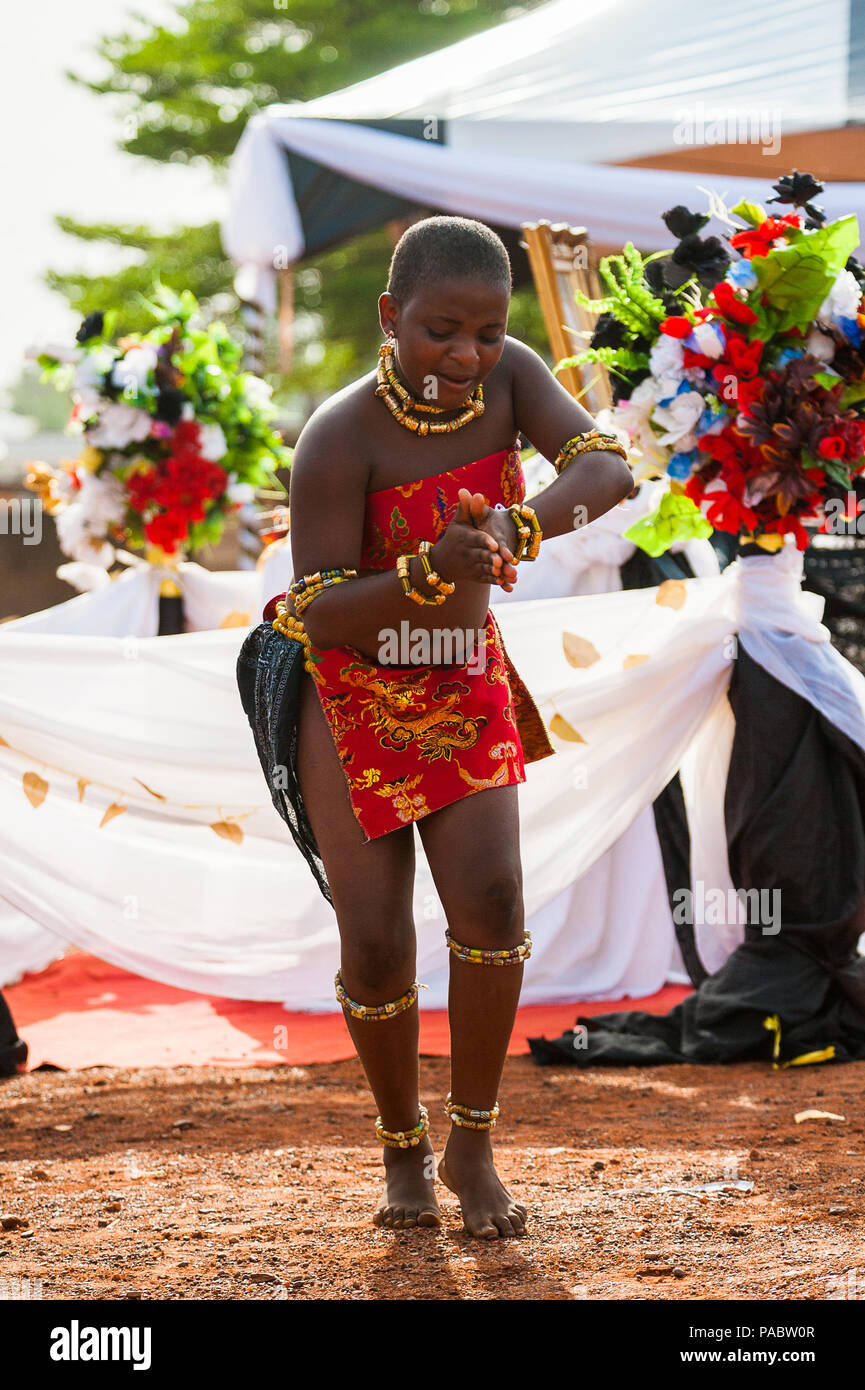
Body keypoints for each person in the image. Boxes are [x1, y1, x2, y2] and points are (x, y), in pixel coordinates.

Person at [244, 216, 633, 1238]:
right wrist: (428, 570)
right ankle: (400, 1146)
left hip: (462, 680)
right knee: (373, 946)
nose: (464, 355)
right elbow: (314, 608)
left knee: (494, 906)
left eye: (486, 332)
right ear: (390, 317)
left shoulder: (509, 380)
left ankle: (472, 1141)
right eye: (438, 331)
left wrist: (522, 523)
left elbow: (608, 470)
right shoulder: (337, 434)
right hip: (352, 699)